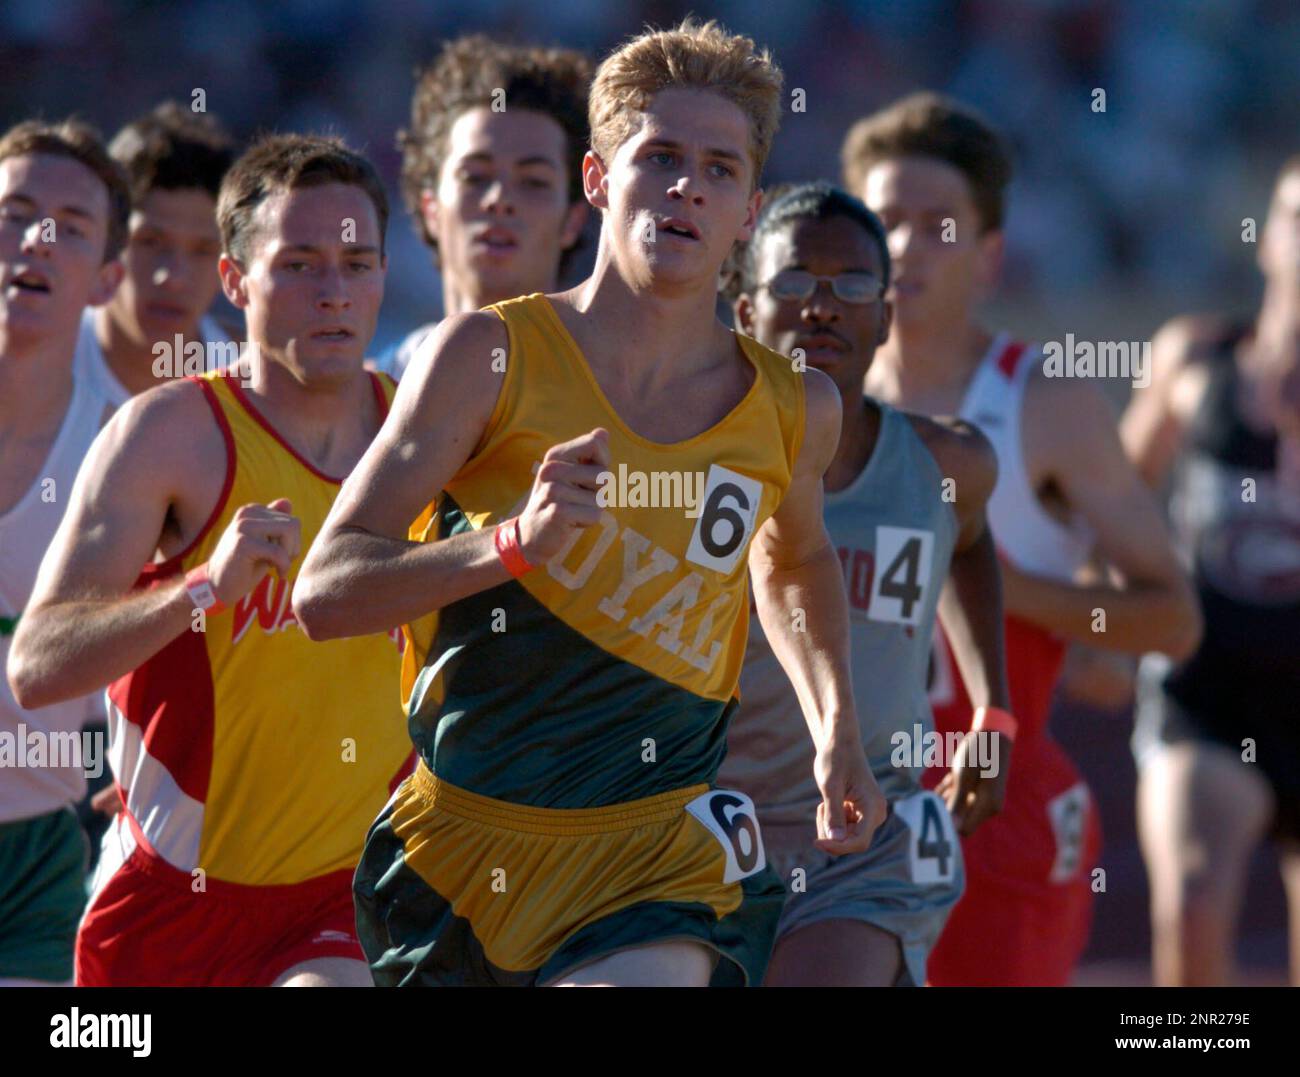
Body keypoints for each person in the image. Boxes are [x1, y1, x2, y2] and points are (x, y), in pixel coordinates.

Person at [294, 18, 886, 988]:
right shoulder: (486, 359)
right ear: (598, 181)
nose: (686, 186)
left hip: (653, 853)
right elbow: (326, 591)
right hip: (459, 847)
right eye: (658, 158)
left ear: (748, 210)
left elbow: (793, 559)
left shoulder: (792, 407)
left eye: (718, 168)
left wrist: (838, 734)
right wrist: (513, 547)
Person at [8, 133, 413, 987]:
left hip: (334, 904)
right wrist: (199, 590)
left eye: (356, 262)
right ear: (235, 282)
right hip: (162, 905)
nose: (334, 292)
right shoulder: (169, 434)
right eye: (300, 263)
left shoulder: (421, 438)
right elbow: (37, 667)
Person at [844, 91, 1202, 985]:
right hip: (826, 803)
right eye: (884, 221)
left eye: (940, 227)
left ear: (992, 255)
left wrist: (1002, 590)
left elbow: (1171, 620)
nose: (905, 248)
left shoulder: (1046, 406)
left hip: (987, 814)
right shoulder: (802, 400)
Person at [718, 182, 1011, 987]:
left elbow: (972, 543)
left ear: (884, 317)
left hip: (867, 830)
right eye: (792, 282)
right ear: (744, 311)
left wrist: (993, 704)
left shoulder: (948, 463)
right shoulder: (691, 469)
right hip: (706, 822)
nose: (821, 306)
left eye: (851, 286)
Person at [1122, 155, 1300, 986]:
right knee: (1192, 902)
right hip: (1209, 691)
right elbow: (1114, 493)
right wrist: (1102, 621)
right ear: (1266, 237)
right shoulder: (1194, 359)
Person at [0, 118, 129, 987]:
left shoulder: (127, 443)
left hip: (36, 863)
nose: (35, 241)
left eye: (70, 227)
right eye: (14, 213)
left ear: (106, 278)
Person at [377, 34, 590, 379]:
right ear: (430, 208)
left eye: (534, 181)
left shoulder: (616, 393)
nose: (500, 200)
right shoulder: (372, 398)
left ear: (573, 220)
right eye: (475, 177)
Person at [81, 100, 239, 405]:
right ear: (103, 239)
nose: (173, 276)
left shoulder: (256, 386)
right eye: (150, 241)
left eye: (202, 251)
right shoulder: (28, 361)